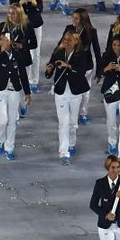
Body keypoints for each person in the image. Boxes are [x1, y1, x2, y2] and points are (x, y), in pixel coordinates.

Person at [46, 31, 90, 164]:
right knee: (63, 123)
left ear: (76, 41)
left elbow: (82, 72)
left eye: (69, 40)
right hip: (61, 92)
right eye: (65, 39)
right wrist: (48, 71)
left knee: (73, 122)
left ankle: (71, 142)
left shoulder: (82, 55)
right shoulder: (58, 53)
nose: (66, 41)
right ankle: (64, 153)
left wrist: (68, 66)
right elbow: (49, 72)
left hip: (75, 92)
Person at [0, 33, 31, 160]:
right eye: (1, 40)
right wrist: (1, 51)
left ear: (11, 41)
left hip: (14, 91)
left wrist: (27, 93)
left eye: (6, 40)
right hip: (0, 90)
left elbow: (23, 74)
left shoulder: (18, 55)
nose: (3, 42)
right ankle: (0, 140)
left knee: (12, 121)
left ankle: (9, 148)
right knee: (3, 120)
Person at [0, 3, 38, 116]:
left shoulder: (27, 26)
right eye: (9, 13)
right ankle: (15, 113)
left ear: (19, 14)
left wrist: (22, 46)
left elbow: (34, 44)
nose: (10, 16)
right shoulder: (3, 26)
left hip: (23, 59)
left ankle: (23, 104)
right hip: (8, 60)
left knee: (23, 82)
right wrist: (3, 47)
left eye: (13, 13)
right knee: (13, 84)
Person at [61, 8, 102, 124]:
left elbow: (97, 52)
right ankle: (70, 112)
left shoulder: (91, 32)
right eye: (72, 17)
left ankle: (83, 113)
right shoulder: (69, 29)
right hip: (70, 64)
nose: (73, 20)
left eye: (76, 18)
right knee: (70, 89)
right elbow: (61, 45)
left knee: (85, 91)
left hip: (86, 67)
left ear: (83, 20)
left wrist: (99, 71)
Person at [7, 0, 44, 90]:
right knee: (19, 51)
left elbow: (40, 9)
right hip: (20, 25)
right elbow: (12, 10)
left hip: (35, 24)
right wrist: (20, 4)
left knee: (36, 52)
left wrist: (35, 3)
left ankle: (33, 81)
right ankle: (21, 78)